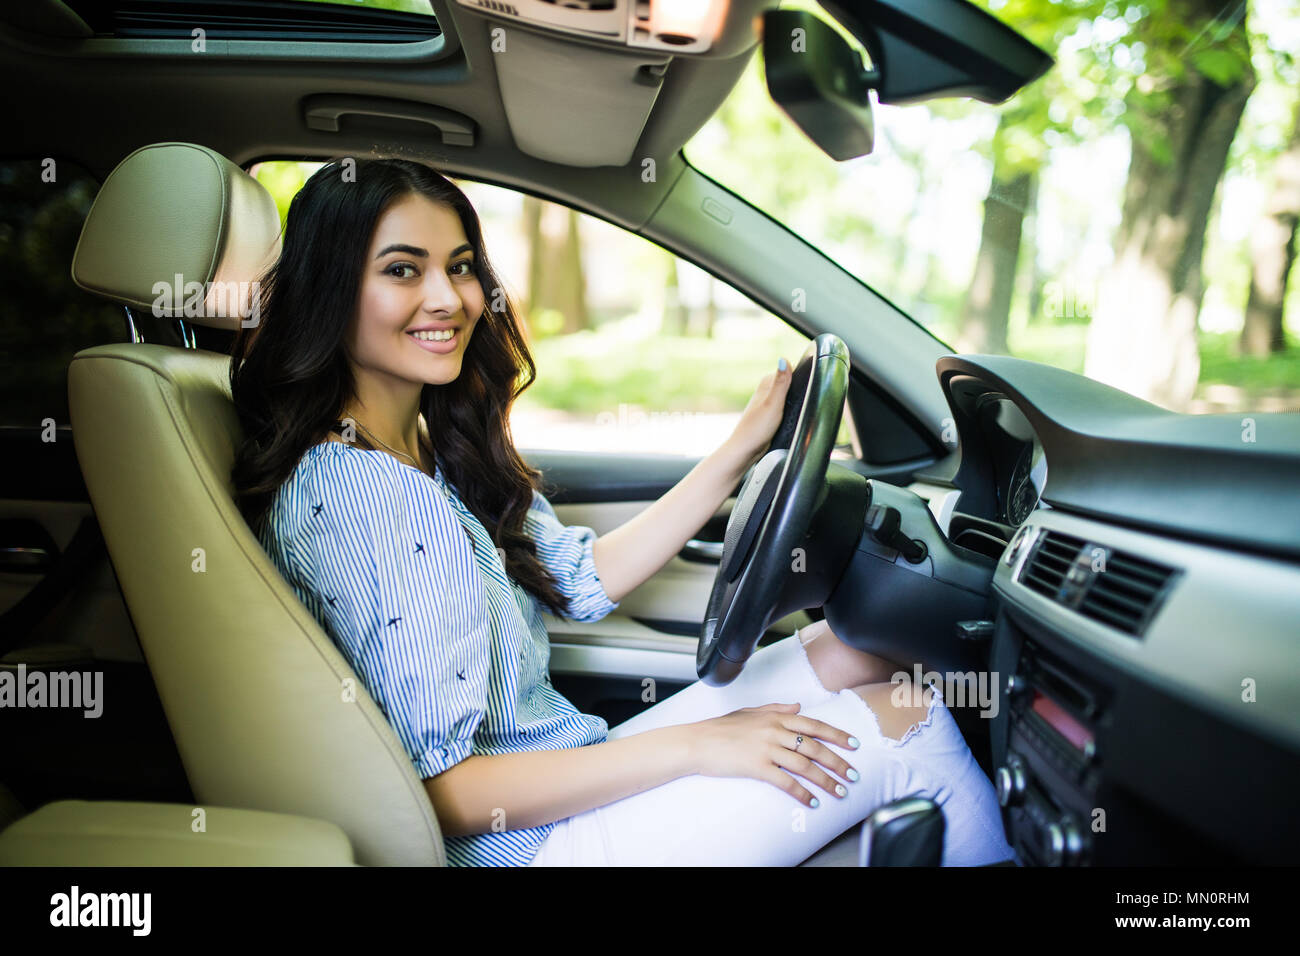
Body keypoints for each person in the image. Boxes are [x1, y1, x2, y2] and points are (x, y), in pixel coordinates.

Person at [229, 157, 1016, 867]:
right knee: (909, 725)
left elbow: (577, 577)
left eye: (461, 267)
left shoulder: (431, 453)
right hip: (525, 848)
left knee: (860, 647)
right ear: (332, 287)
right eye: (403, 270)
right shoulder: (365, 495)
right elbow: (451, 793)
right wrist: (699, 748)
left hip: (564, 768)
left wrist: (740, 448)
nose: (450, 298)